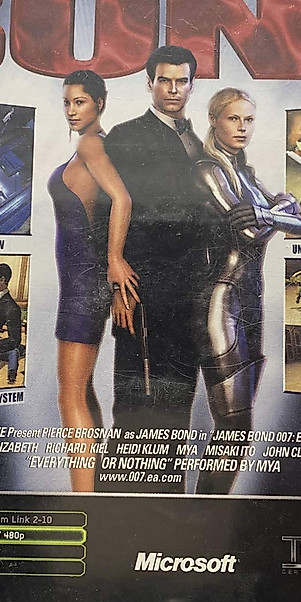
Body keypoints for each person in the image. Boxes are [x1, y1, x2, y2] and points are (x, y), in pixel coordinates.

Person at [98, 45, 211, 492]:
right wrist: (117, 286)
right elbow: (104, 212)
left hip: (191, 294)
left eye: (181, 81)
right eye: (165, 80)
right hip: (141, 289)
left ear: (192, 85)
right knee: (136, 402)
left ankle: (166, 504)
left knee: (178, 401)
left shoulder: (198, 142)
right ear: (150, 83)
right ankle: (116, 510)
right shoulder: (126, 136)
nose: (173, 89)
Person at [192, 88, 301, 493]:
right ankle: (201, 515)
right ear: (214, 120)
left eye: (248, 119)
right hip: (220, 301)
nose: (243, 127)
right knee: (234, 426)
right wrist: (281, 209)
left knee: (239, 430)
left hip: (251, 303)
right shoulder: (207, 170)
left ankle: (209, 513)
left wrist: (266, 211)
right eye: (233, 119)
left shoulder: (246, 173)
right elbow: (249, 233)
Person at [48, 69, 139, 492]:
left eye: (80, 102)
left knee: (70, 395)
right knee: (81, 392)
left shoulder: (90, 144)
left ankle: (84, 502)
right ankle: (94, 491)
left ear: (99, 103)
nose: (71, 110)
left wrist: (115, 261)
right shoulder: (94, 146)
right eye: (67, 102)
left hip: (83, 287)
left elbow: (122, 198)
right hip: (84, 285)